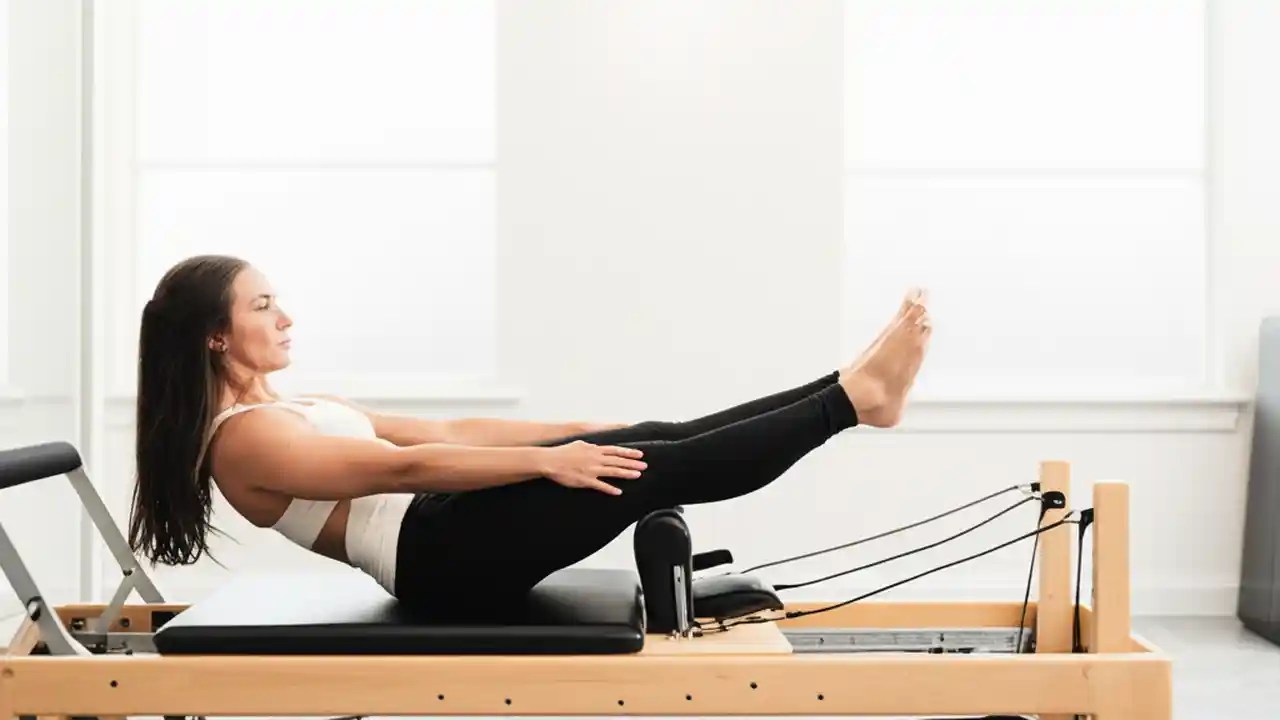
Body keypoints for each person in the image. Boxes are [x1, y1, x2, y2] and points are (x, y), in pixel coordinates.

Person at [129, 254, 932, 621]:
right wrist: (552, 462)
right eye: (264, 305)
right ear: (214, 336)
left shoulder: (294, 402)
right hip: (436, 560)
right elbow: (401, 467)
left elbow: (443, 430)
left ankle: (848, 389)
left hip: (447, 526)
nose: (286, 316)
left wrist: (570, 431)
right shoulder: (239, 443)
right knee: (647, 469)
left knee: (645, 441)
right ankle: (853, 403)